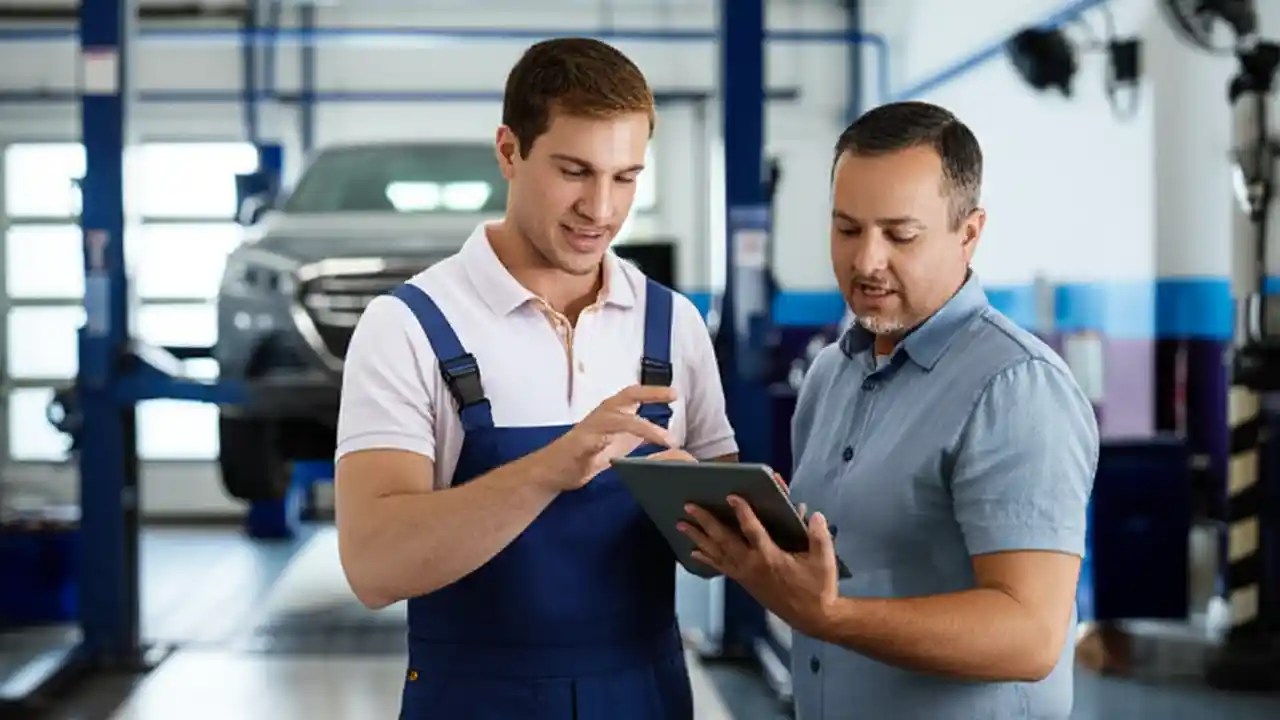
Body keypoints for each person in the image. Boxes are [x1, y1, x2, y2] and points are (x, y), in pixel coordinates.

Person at [332, 37, 738, 719]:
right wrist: (553, 468)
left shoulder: (673, 326)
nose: (601, 209)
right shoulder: (408, 327)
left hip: (644, 696)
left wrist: (742, 529)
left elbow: (714, 555)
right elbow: (374, 568)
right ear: (509, 151)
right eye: (575, 171)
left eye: (626, 177)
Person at [677, 100, 1099, 719]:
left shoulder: (1014, 388)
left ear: (969, 233)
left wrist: (831, 616)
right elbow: (847, 567)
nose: (866, 261)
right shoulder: (831, 374)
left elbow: (1030, 635)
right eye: (847, 230)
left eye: (900, 235)